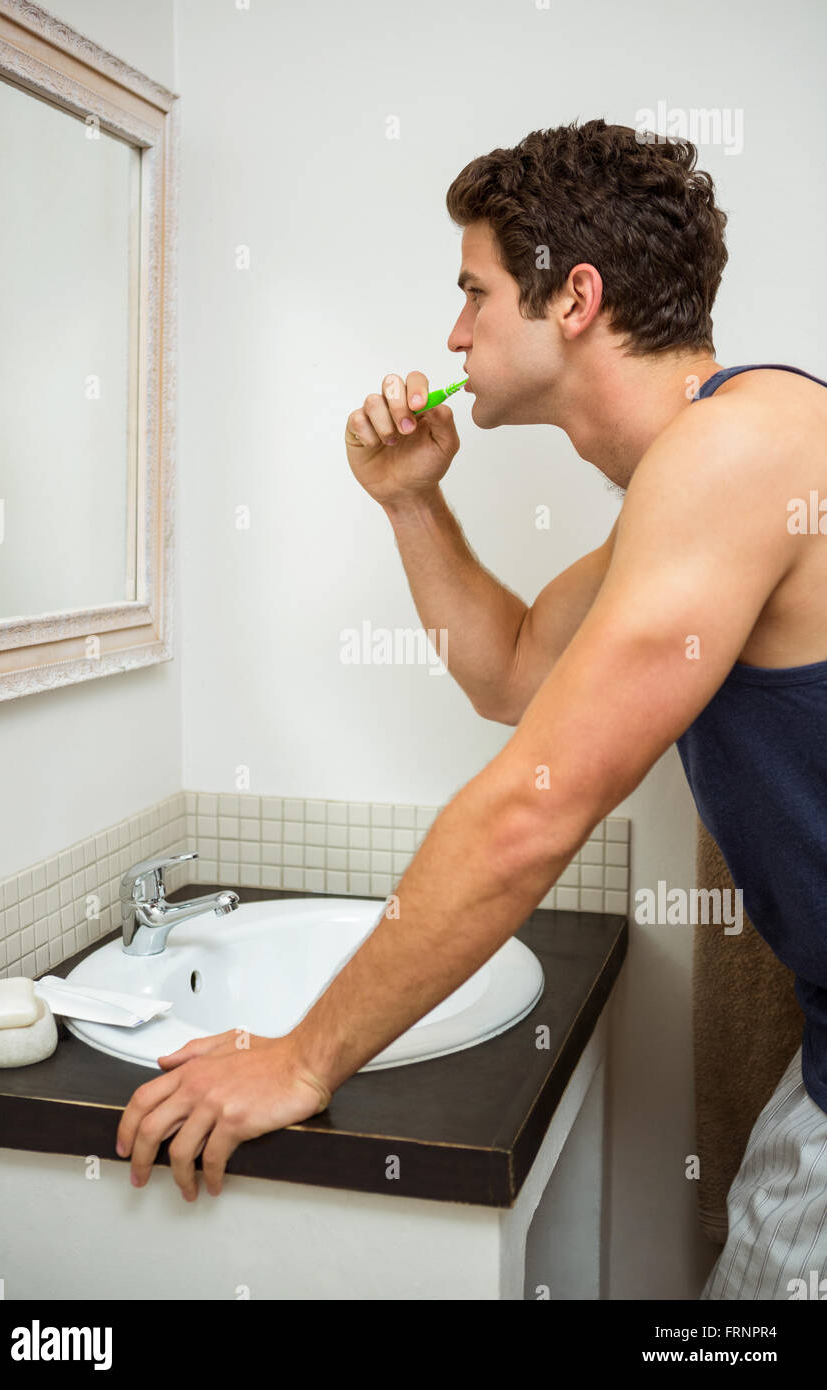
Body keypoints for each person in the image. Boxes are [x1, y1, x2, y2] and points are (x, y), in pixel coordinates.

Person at [116, 120, 827, 1304]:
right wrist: (409, 503)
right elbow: (508, 673)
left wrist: (301, 1059)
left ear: (573, 297)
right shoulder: (715, 463)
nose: (451, 333)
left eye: (473, 291)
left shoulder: (737, 451)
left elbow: (526, 814)